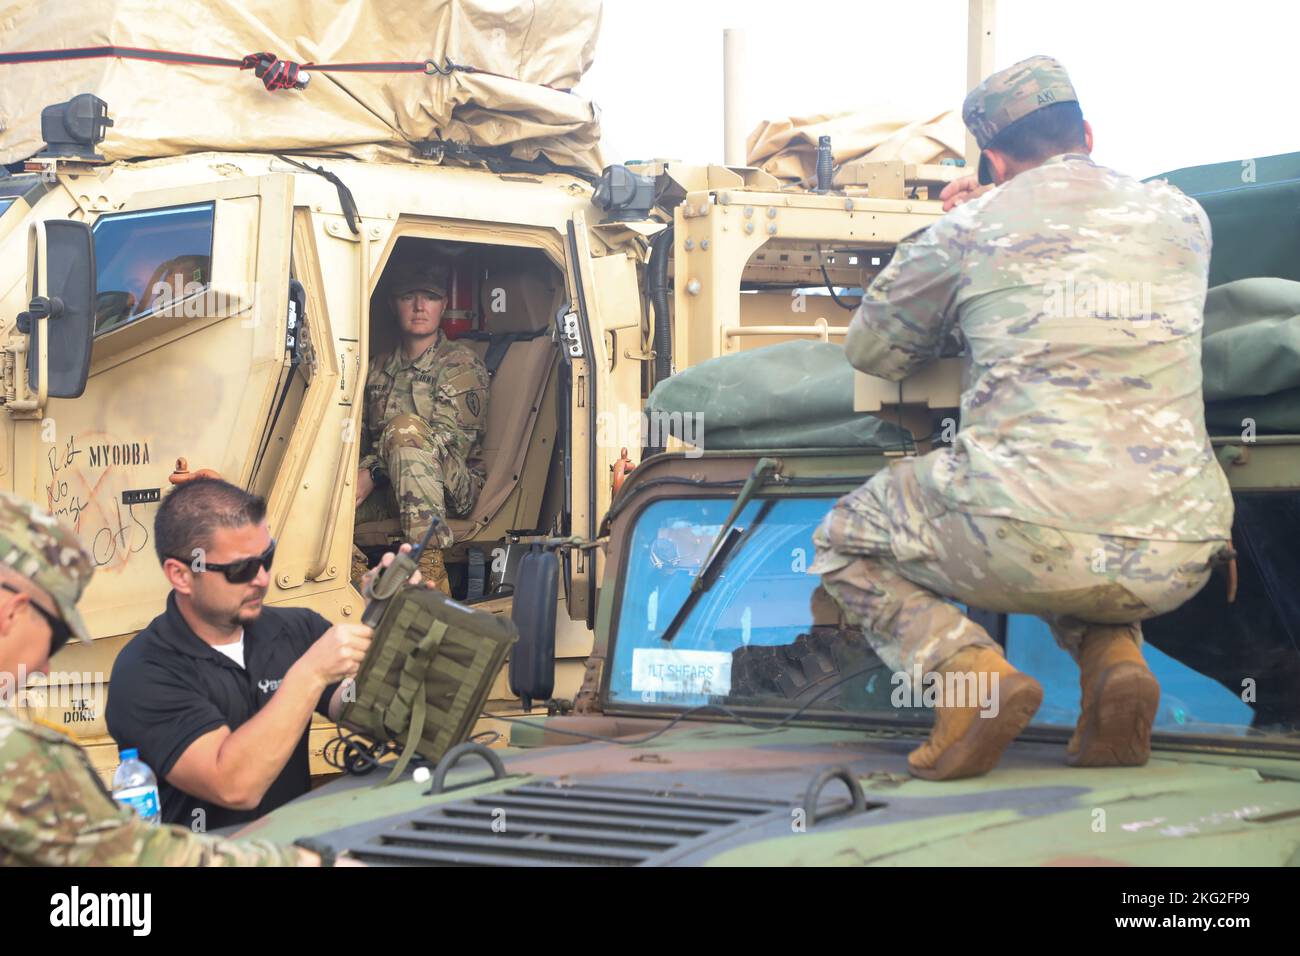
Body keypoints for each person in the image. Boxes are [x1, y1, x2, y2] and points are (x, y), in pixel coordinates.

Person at [810, 56, 1234, 780]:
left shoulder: (971, 228)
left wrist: (974, 221)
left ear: (994, 157)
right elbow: (1084, 248)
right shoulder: (1183, 214)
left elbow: (874, 349)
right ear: (1089, 133)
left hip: (1025, 526)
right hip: (1183, 543)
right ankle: (1113, 665)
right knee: (1078, 531)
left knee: (846, 540)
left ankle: (971, 678)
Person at [0, 491, 319, 865]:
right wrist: (309, 861)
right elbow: (138, 857)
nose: (43, 668)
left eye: (267, 559)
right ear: (11, 612)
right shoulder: (20, 754)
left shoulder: (293, 628)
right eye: (55, 636)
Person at [105, 478, 374, 830]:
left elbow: (365, 710)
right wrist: (310, 674)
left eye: (267, 558)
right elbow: (233, 786)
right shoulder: (144, 672)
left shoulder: (295, 629)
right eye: (240, 569)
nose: (262, 578)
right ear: (181, 575)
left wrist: (392, 616)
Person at [354, 261, 490, 589]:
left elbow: (450, 442)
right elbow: (353, 439)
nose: (418, 307)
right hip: (389, 488)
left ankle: (429, 571)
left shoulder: (460, 364)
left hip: (449, 484)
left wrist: (371, 473)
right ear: (392, 304)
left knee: (406, 430)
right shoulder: (377, 367)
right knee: (316, 495)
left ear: (443, 304)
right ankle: (357, 580)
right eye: (408, 297)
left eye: (429, 297)